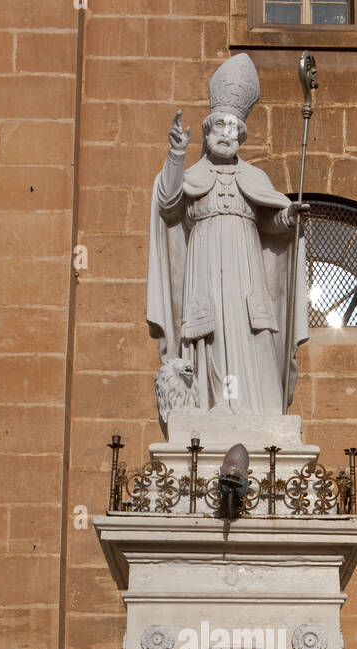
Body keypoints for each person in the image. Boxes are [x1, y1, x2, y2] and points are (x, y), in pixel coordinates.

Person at [147, 53, 309, 423]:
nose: (225, 131)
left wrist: (289, 216)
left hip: (246, 273)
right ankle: (215, 403)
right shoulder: (193, 175)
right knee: (214, 336)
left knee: (248, 335)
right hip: (204, 271)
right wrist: (175, 154)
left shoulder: (255, 179)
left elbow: (271, 225)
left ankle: (252, 408)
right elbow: (168, 203)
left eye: (232, 127)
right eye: (218, 124)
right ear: (206, 132)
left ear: (241, 135)